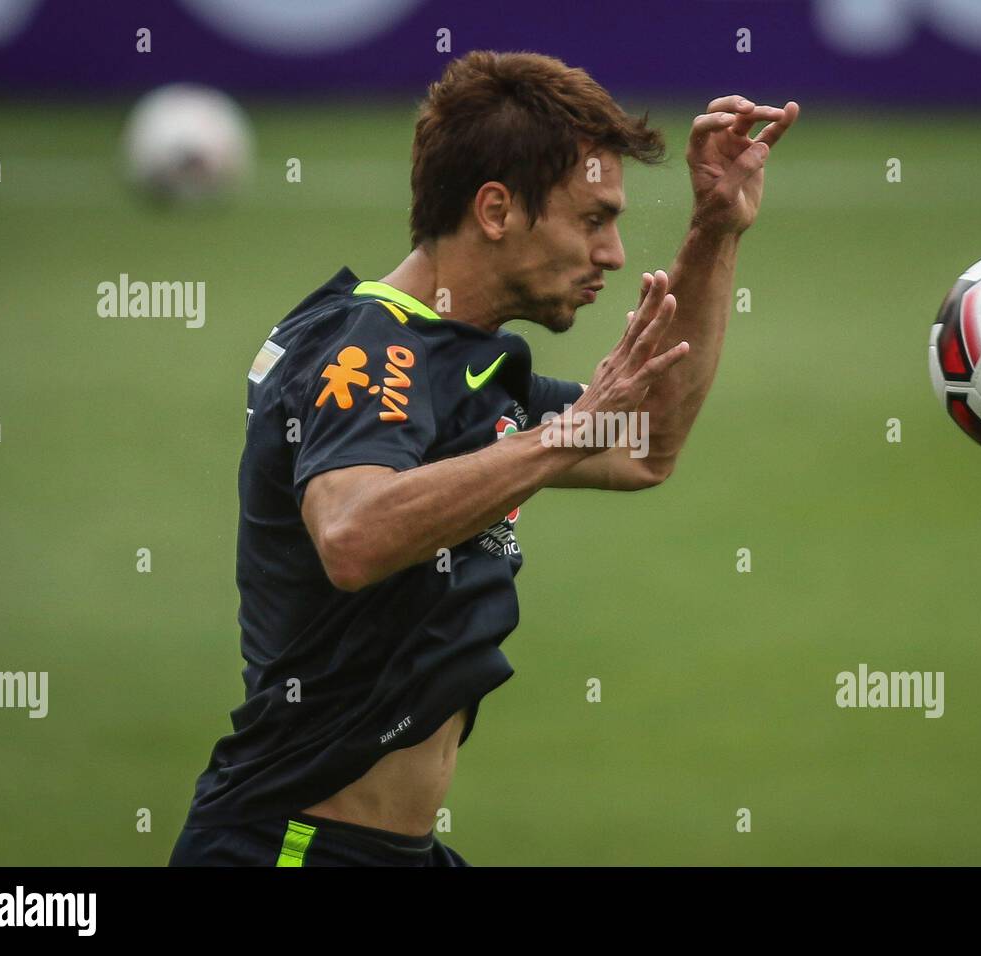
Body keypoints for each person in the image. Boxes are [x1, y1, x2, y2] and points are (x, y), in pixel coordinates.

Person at [169, 50, 797, 866]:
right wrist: (562, 434)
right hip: (293, 847)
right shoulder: (370, 347)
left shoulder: (471, 363)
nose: (610, 253)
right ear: (497, 210)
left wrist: (714, 229)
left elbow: (645, 444)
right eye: (593, 218)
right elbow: (353, 536)